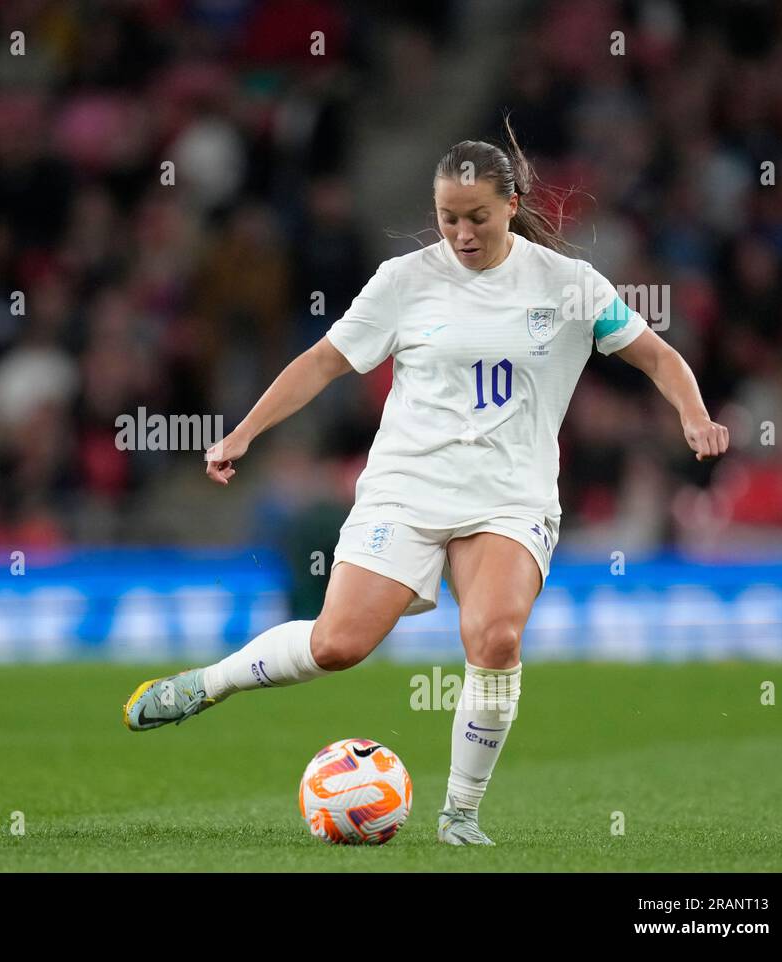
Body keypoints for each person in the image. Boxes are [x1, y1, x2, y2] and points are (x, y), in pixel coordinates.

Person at [122, 120, 729, 845]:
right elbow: (322, 362)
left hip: (509, 496)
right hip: (407, 489)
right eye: (448, 219)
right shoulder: (404, 282)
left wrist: (693, 415)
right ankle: (209, 683)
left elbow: (660, 358)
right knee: (338, 645)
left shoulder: (568, 286)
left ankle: (461, 814)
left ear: (510, 204)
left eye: (476, 217)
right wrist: (243, 432)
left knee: (495, 637)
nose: (462, 233)